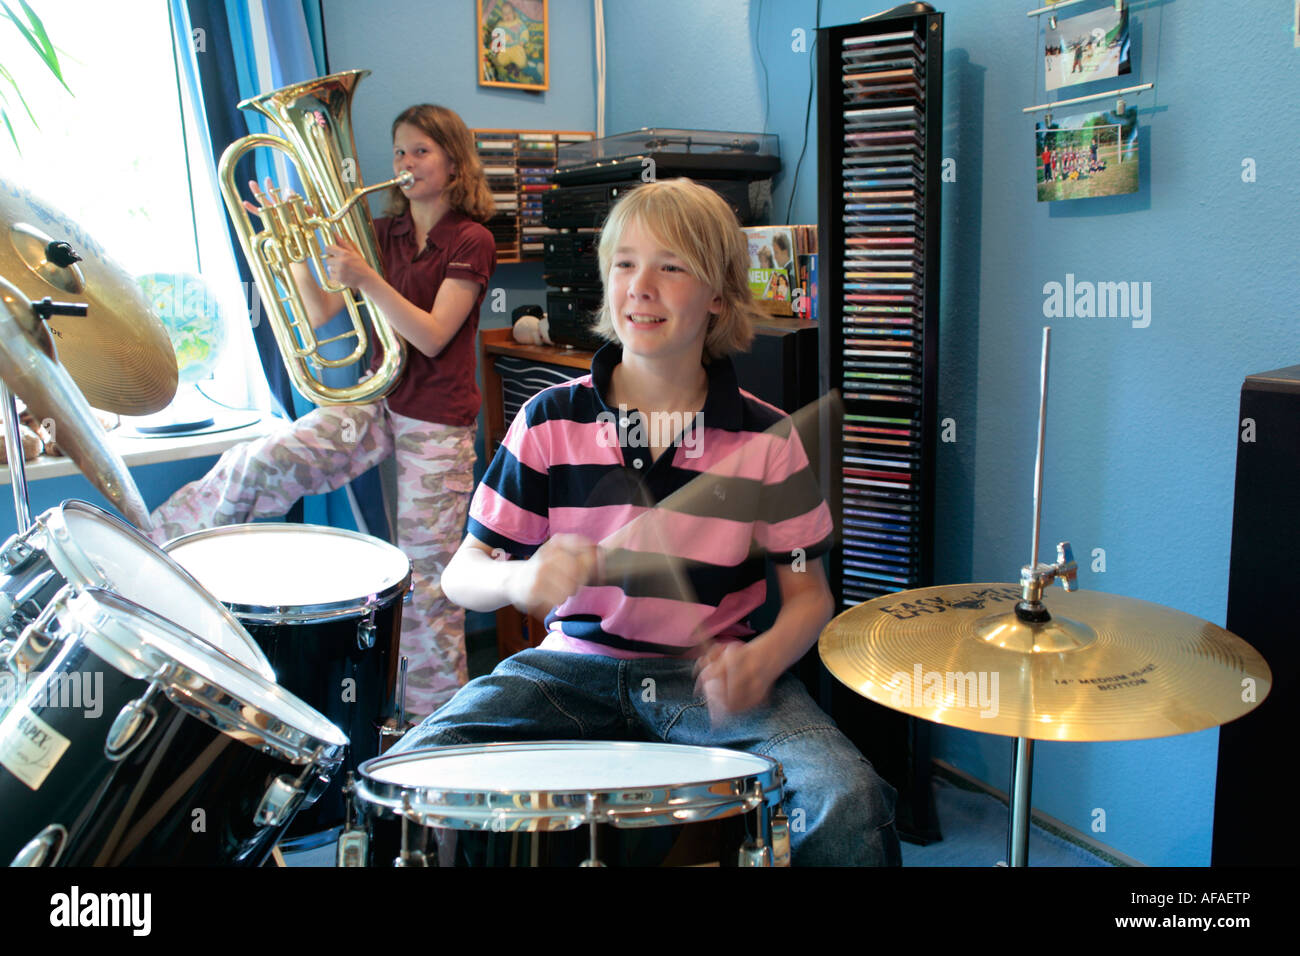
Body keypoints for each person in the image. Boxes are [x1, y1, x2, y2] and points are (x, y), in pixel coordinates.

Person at [393, 178, 900, 866]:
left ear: (718, 294)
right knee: (409, 772)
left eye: (672, 266)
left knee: (847, 798)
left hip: (709, 681)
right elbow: (462, 575)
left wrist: (764, 657)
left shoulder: (768, 438)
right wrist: (520, 579)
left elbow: (809, 593)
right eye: (625, 263)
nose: (641, 285)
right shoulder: (550, 419)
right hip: (570, 673)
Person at [148, 104, 496, 720]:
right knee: (257, 461)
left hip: (437, 421)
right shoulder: (381, 233)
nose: (406, 164)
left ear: (453, 161)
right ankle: (153, 552)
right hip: (375, 401)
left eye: (421, 151)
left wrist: (365, 278)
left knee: (430, 584)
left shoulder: (472, 238)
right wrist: (297, 248)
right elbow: (321, 315)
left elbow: (436, 334)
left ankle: (434, 724)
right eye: (399, 153)